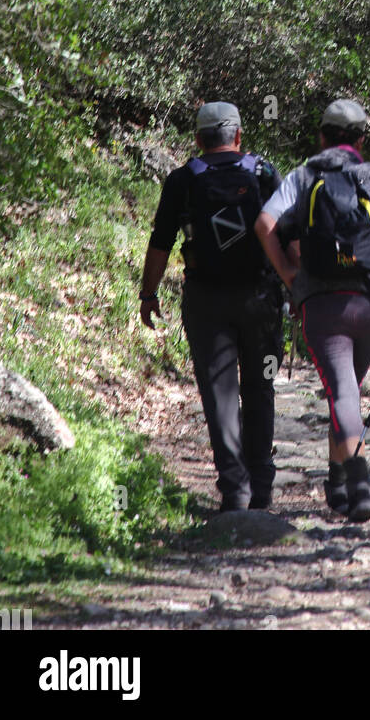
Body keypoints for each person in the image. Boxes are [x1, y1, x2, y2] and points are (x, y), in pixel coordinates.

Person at [255, 99, 370, 523]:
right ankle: (338, 481)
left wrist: (289, 275)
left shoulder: (303, 175)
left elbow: (264, 224)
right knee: (348, 389)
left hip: (322, 303)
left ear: (321, 136)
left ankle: (358, 480)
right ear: (360, 139)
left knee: (342, 392)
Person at [139, 101, 283, 512]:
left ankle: (234, 488)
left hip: (206, 300)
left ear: (199, 140)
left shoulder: (182, 180)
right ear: (239, 136)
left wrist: (149, 293)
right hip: (262, 299)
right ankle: (263, 483)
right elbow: (289, 233)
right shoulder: (264, 173)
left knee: (220, 392)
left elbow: (161, 241)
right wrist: (296, 289)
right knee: (261, 386)